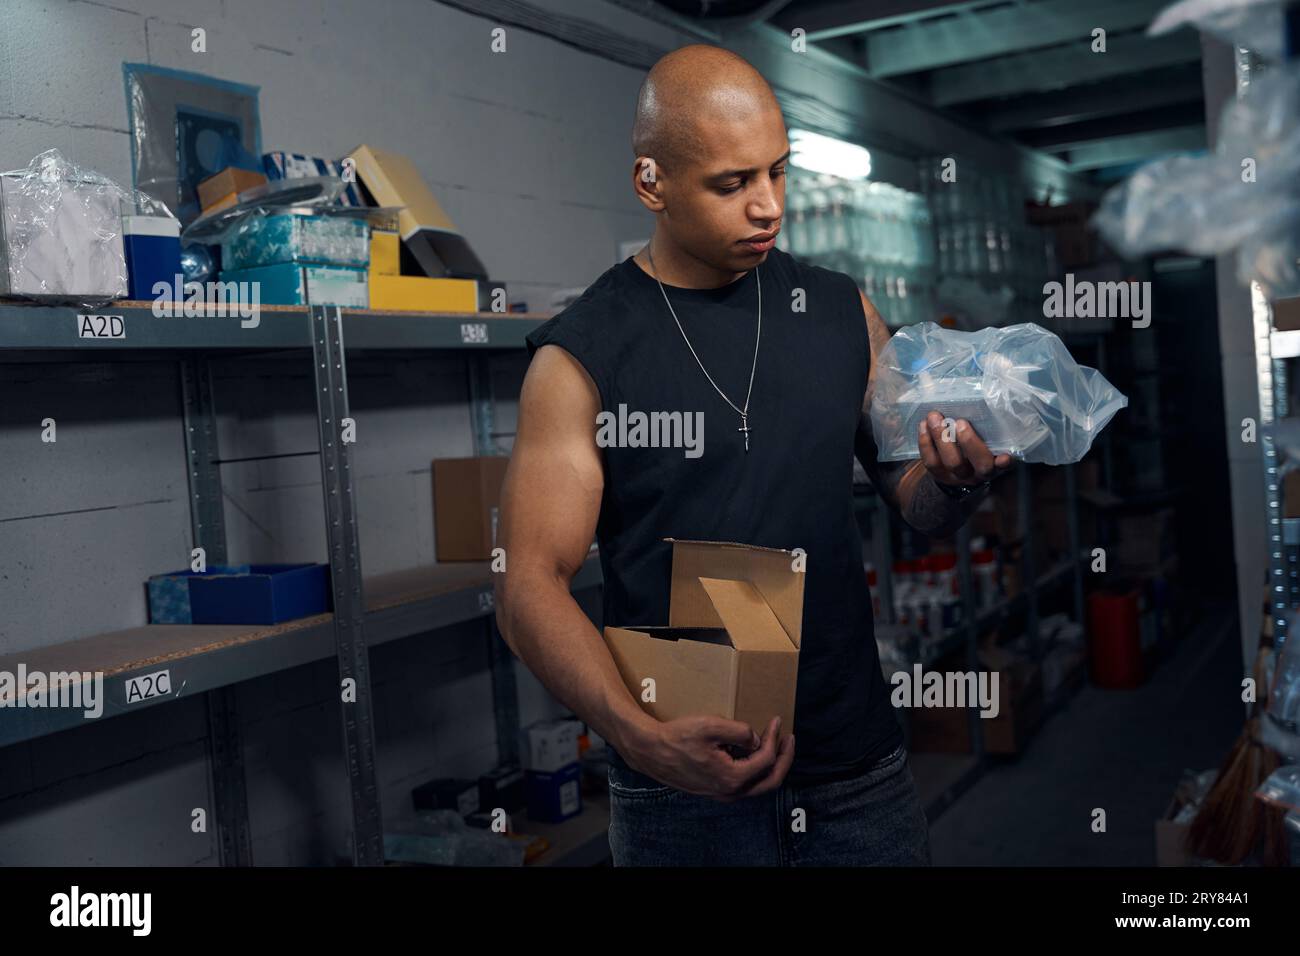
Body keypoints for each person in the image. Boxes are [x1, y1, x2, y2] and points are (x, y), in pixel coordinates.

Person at [495, 44, 1013, 866]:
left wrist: (957, 482)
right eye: (732, 184)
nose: (768, 206)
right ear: (651, 184)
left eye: (778, 172)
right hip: (680, 789)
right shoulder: (581, 357)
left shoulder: (841, 312)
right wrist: (637, 737)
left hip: (856, 773)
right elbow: (527, 586)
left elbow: (915, 498)